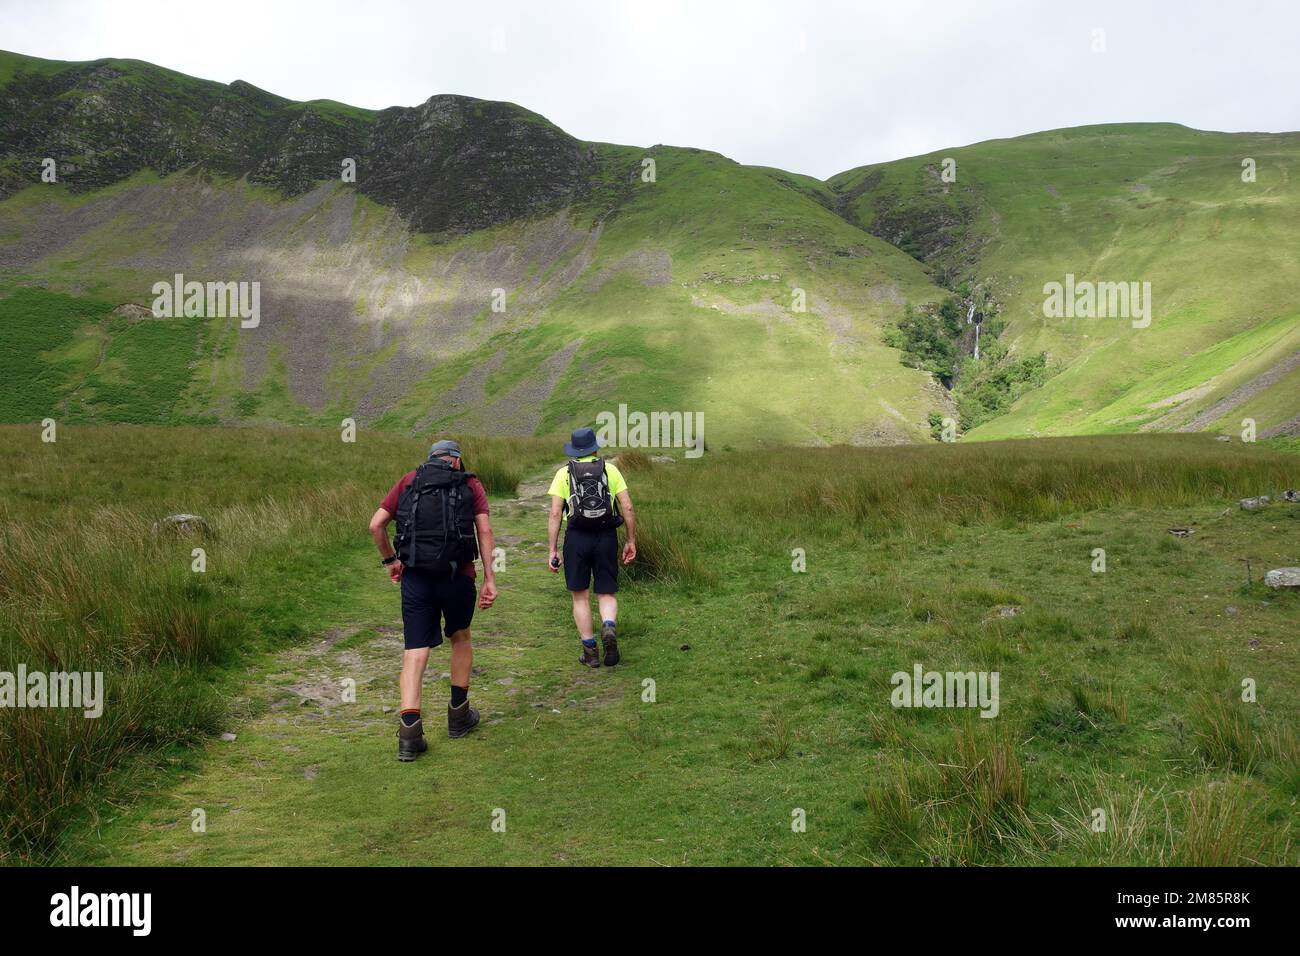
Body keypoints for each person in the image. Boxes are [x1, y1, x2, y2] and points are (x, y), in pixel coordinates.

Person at [368, 439, 497, 761]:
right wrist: (490, 579)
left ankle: (410, 732)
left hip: (416, 578)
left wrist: (391, 561)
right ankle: (458, 715)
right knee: (460, 637)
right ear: (456, 461)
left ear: (430, 460)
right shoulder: (471, 484)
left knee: (415, 650)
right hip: (459, 576)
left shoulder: (409, 481)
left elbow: (376, 525)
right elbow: (485, 532)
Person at [547, 426, 636, 668]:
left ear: (575, 450)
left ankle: (590, 652)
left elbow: (556, 513)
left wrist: (552, 550)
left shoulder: (563, 474)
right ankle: (608, 627)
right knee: (606, 592)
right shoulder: (611, 470)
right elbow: (627, 507)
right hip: (606, 536)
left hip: (576, 537)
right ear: (595, 448)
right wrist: (630, 540)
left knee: (580, 596)